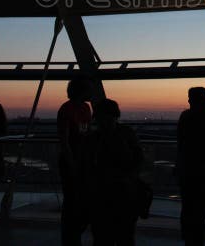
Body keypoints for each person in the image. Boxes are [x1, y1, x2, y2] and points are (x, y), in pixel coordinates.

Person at [84, 99, 143, 246]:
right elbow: (138, 159)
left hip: (101, 192)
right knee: (125, 235)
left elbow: (87, 166)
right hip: (124, 191)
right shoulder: (126, 133)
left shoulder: (93, 139)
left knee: (102, 236)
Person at [176, 87, 205, 246]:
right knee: (201, 210)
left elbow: (180, 144)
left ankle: (189, 238)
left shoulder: (185, 117)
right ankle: (197, 239)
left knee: (188, 207)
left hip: (187, 171)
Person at [57, 77, 93, 245]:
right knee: (73, 197)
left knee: (76, 197)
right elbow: (65, 141)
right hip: (73, 161)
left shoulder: (80, 108)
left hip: (79, 159)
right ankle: (72, 232)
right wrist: (72, 163)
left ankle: (72, 232)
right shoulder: (71, 109)